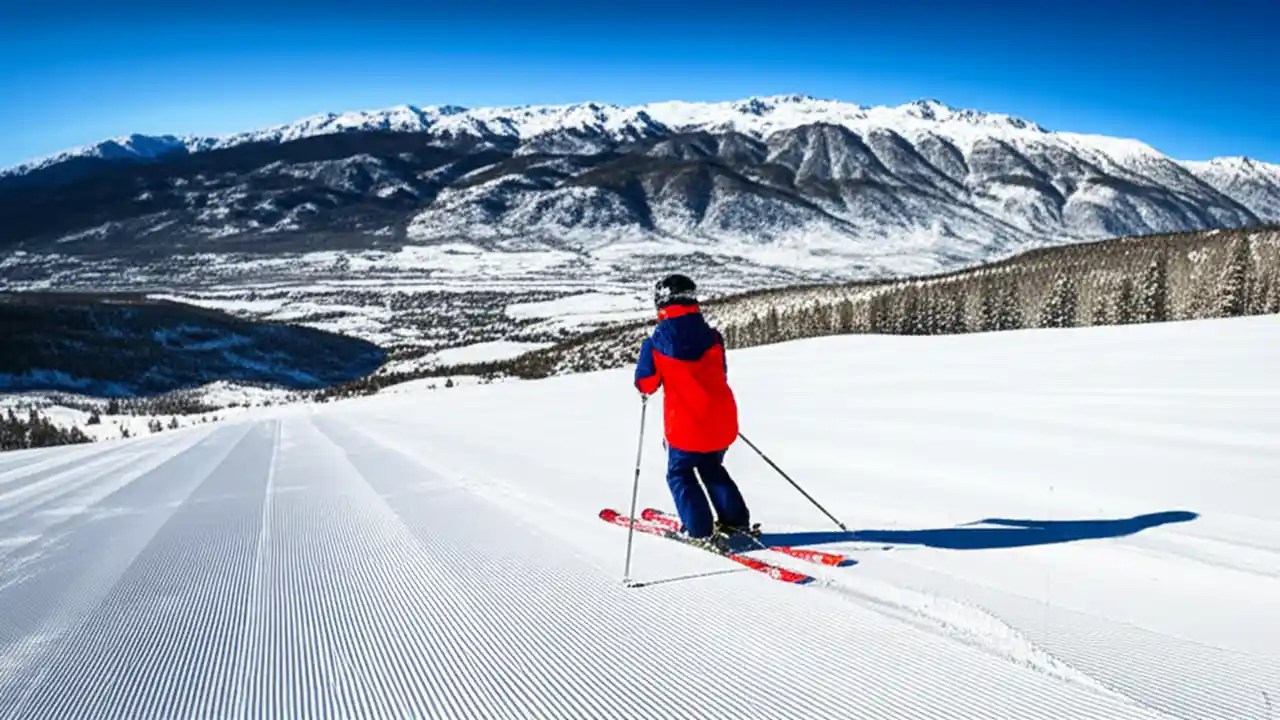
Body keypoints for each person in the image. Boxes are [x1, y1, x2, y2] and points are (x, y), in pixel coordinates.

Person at [634, 274, 751, 539]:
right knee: (712, 467)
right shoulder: (713, 337)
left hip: (685, 426)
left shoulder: (656, 342)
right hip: (721, 419)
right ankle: (736, 521)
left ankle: (698, 529)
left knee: (680, 473)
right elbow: (720, 373)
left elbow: (646, 383)